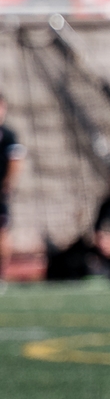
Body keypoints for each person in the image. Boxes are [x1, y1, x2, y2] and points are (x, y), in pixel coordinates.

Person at [0, 94, 21, 282]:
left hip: (0, 195)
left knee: (2, 233)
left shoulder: (8, 135)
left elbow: (16, 161)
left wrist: (8, 184)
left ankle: (2, 274)